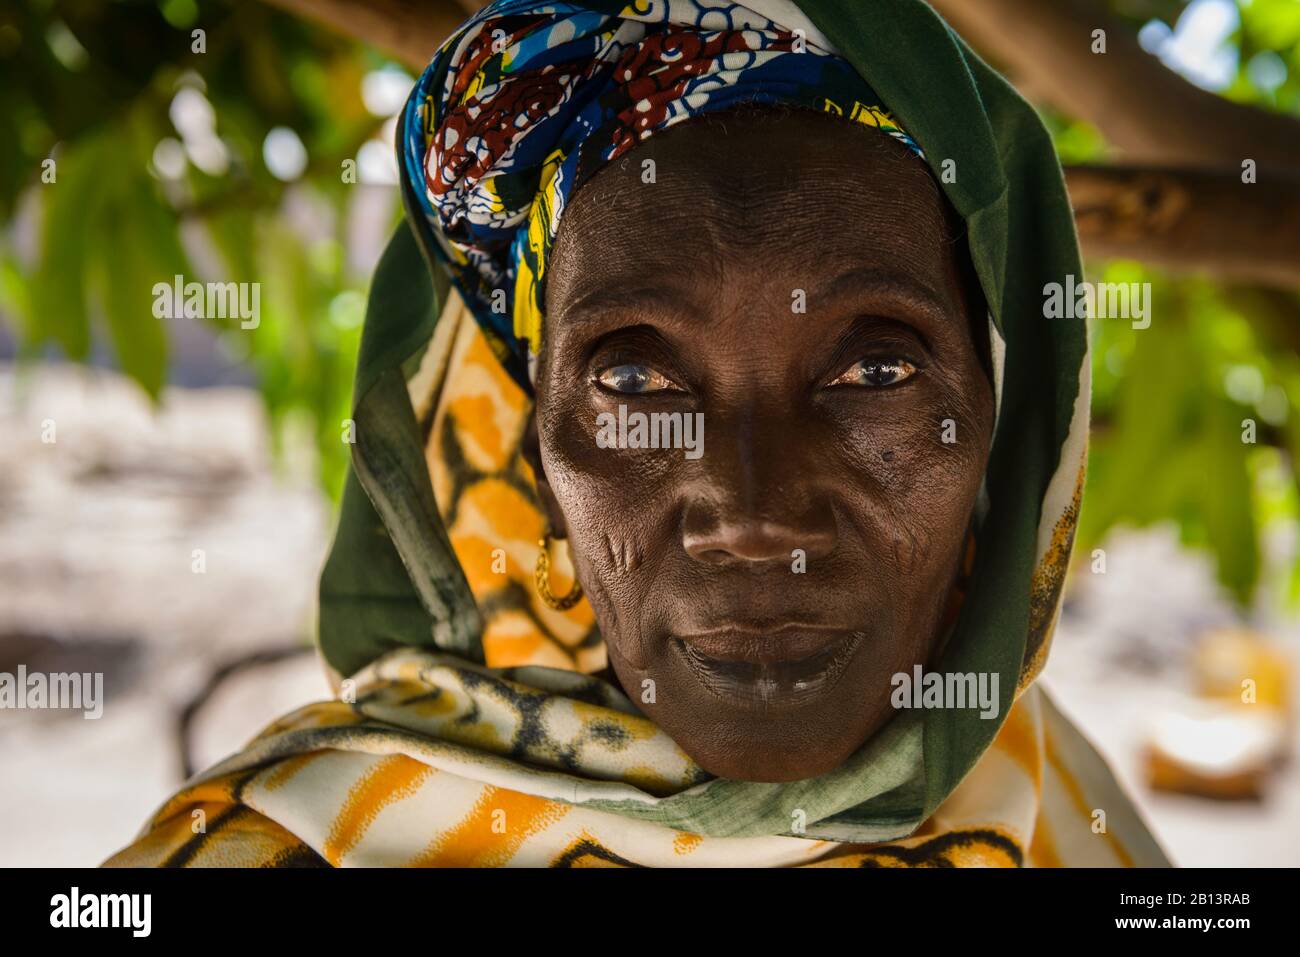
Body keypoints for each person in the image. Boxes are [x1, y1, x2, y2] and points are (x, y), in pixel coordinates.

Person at [106, 0, 1168, 867]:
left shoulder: (1059, 809)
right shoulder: (293, 846)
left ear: (1004, 426)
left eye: (875, 370)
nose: (754, 517)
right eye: (632, 377)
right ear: (534, 447)